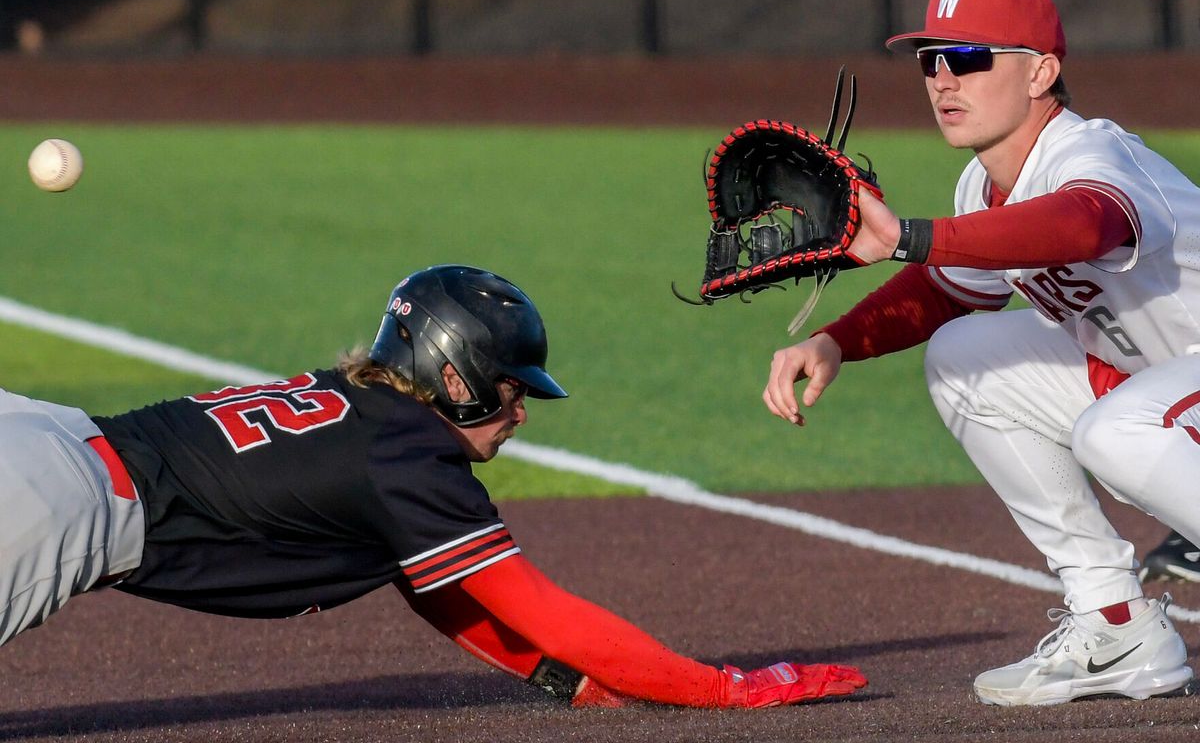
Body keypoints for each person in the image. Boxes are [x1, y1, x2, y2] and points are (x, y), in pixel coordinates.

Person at [1, 263, 866, 709]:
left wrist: (567, 683)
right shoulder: (409, 456)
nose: (519, 411)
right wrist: (717, 688)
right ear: (456, 377)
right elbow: (543, 609)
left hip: (40, 433)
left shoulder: (364, 413)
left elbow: (438, 587)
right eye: (512, 387)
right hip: (53, 505)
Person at [763, 0, 1200, 706]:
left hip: (1178, 387)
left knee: (1117, 430)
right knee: (965, 360)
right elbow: (945, 290)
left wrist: (906, 236)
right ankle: (1116, 630)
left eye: (969, 57)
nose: (943, 79)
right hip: (1176, 384)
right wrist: (836, 341)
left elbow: (1085, 223)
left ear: (1042, 72)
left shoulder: (1092, 154)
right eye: (929, 60)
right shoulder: (982, 185)